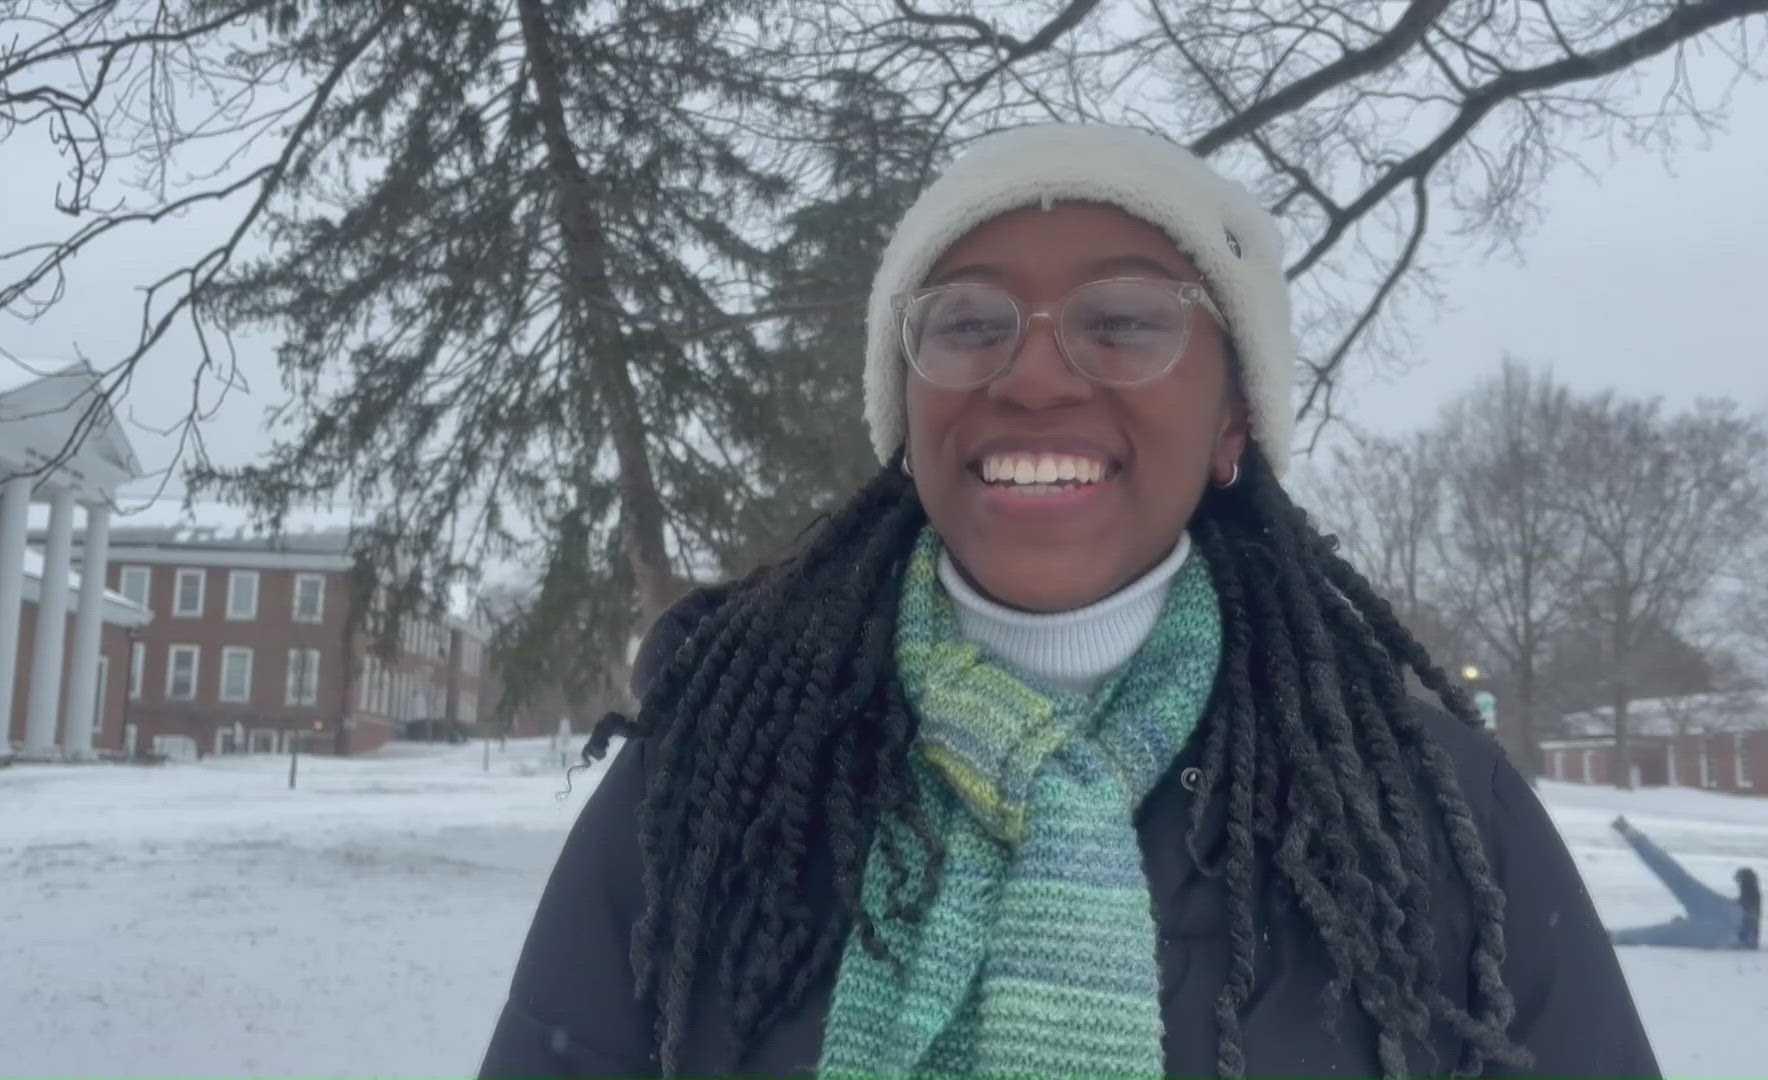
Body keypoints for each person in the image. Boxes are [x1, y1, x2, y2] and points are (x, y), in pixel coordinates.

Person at [480, 124, 1657, 1078]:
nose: (1032, 374)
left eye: (1128, 320)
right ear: (908, 415)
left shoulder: (1431, 815)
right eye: (970, 322)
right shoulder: (712, 778)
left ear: (1233, 423)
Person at [1609, 816, 1758, 951]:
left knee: (1679, 883)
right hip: (1729, 930)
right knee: (1659, 930)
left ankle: (1632, 835)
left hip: (1727, 926)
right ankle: (1612, 937)